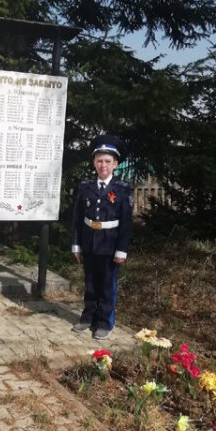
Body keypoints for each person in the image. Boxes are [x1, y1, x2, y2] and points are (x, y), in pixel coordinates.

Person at [71, 135, 133, 340]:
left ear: (115, 164)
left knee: (107, 285)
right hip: (89, 242)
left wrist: (121, 250)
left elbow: (125, 223)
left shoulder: (122, 189)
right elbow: (77, 218)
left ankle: (105, 322)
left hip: (110, 244)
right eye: (99, 161)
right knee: (90, 283)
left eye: (107, 161)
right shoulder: (85, 187)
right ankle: (88, 317)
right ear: (94, 163)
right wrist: (76, 244)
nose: (103, 165)